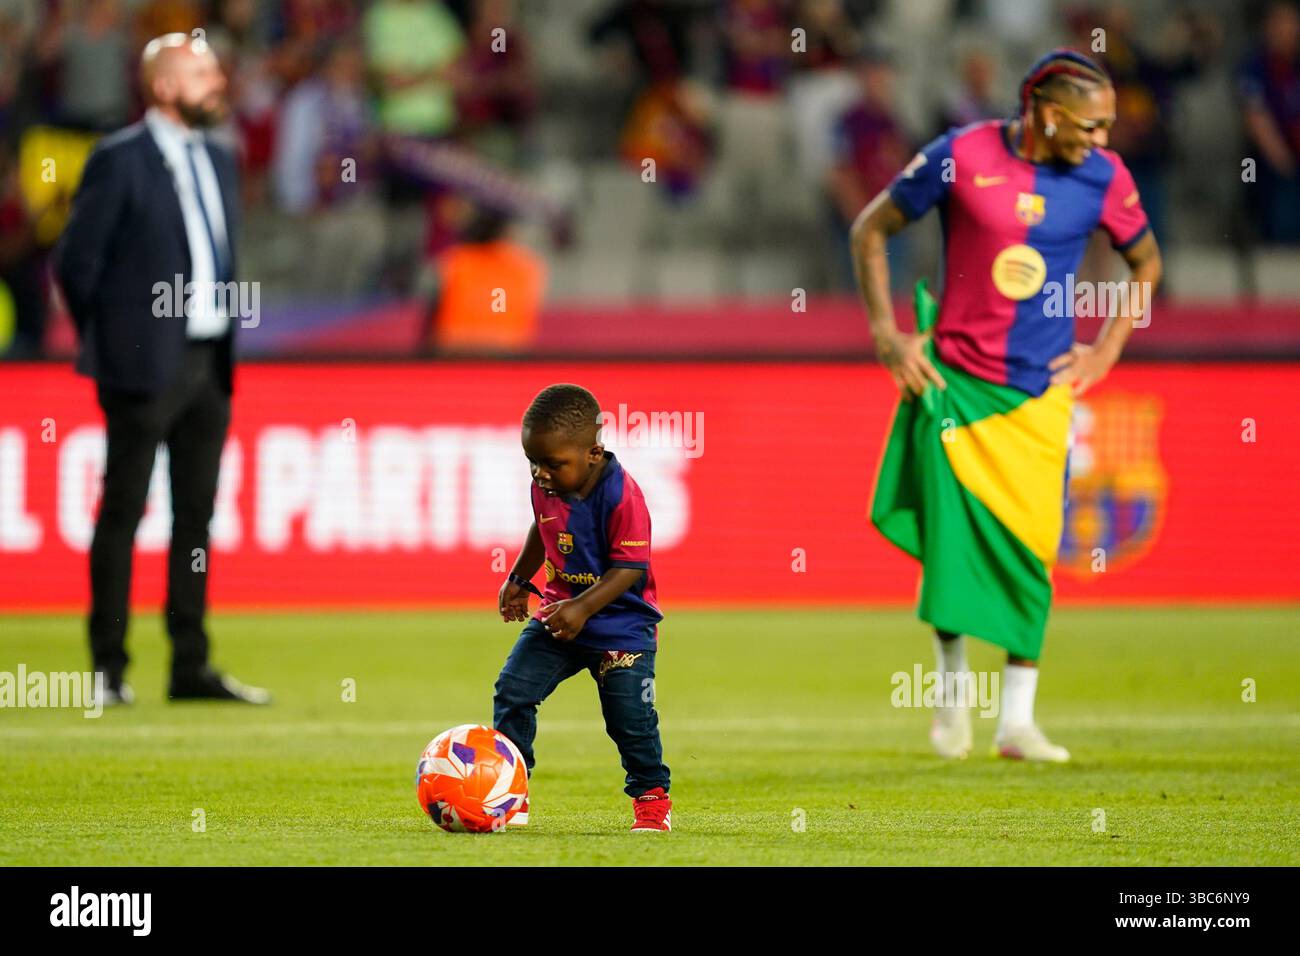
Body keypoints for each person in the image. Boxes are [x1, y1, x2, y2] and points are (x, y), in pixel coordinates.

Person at [851, 49, 1162, 762]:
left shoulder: (1104, 177)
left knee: (1034, 550)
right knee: (952, 548)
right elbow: (870, 229)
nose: (1102, 140)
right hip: (954, 381)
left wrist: (1108, 348)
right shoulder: (960, 154)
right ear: (1047, 112)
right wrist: (889, 337)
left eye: (1108, 126)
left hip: (1039, 394)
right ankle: (953, 689)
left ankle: (1016, 723)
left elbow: (1147, 261)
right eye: (1091, 125)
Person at [53, 34, 269, 705]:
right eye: (203, 73)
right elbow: (75, 265)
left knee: (196, 518)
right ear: (165, 86)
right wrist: (120, 342)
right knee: (123, 511)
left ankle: (190, 666)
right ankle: (109, 669)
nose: (218, 83)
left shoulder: (220, 156)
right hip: (142, 366)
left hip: (209, 361)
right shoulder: (119, 159)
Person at [492, 384, 672, 831]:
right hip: (559, 616)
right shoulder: (546, 486)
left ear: (593, 452)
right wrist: (518, 578)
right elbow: (542, 526)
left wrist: (582, 609)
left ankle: (652, 797)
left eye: (553, 463)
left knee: (629, 721)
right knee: (513, 691)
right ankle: (510, 793)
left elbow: (630, 568)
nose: (541, 474)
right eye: (533, 462)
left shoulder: (622, 495)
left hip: (621, 627)